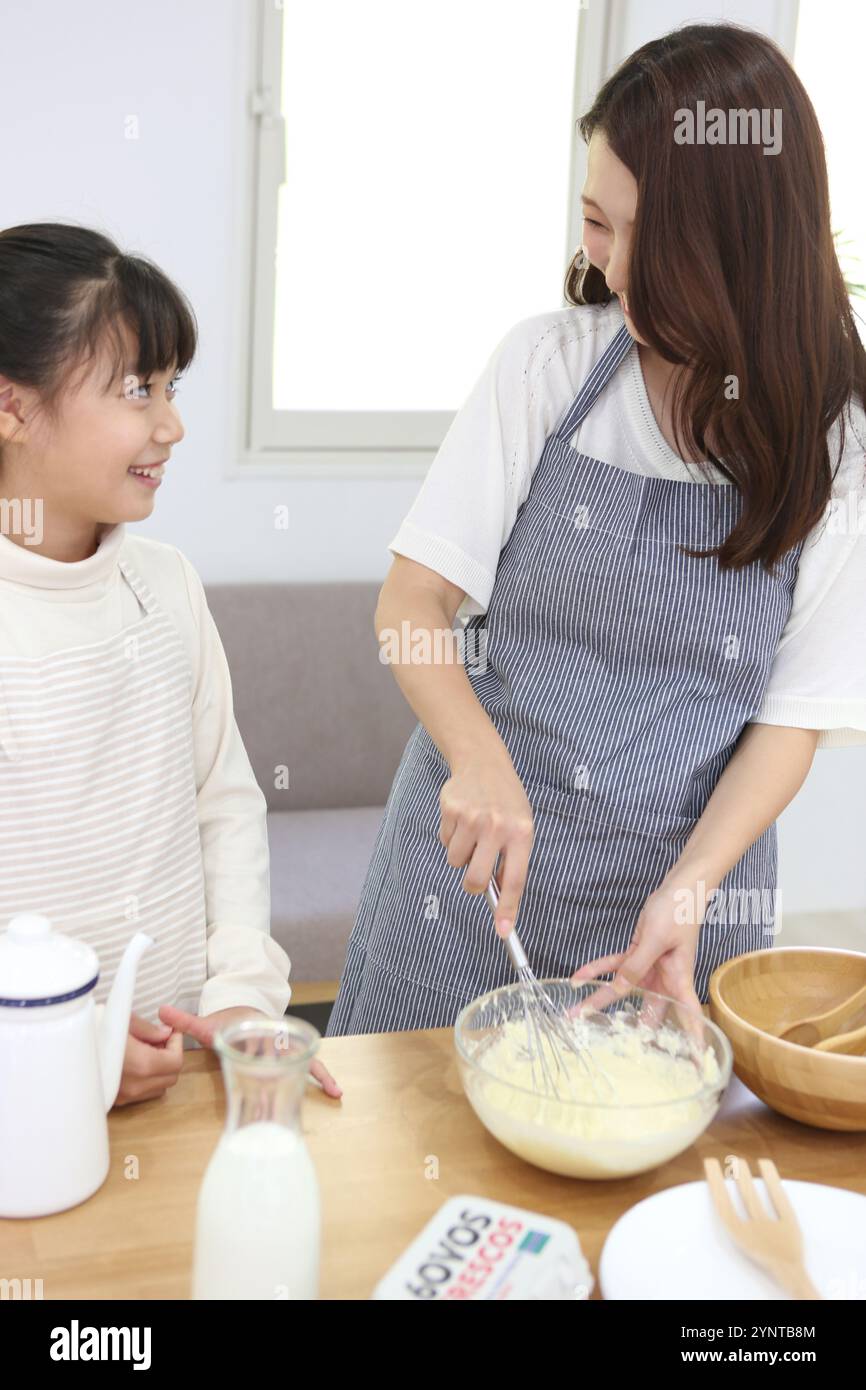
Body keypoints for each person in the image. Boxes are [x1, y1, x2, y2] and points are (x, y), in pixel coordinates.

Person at [326, 22, 866, 1036]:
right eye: (593, 223)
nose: (609, 268)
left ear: (731, 249)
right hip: (466, 886)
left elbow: (789, 719)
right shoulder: (543, 369)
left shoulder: (837, 446)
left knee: (643, 1172)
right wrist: (476, 758)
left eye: (641, 239)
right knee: (400, 1164)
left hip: (670, 902)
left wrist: (690, 889)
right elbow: (413, 600)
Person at [0, 223, 341, 1101]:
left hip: (187, 1078)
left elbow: (223, 808)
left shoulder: (166, 587)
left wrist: (238, 998)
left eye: (171, 387)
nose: (172, 424)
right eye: (135, 389)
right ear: (12, 407)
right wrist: (49, 1055)